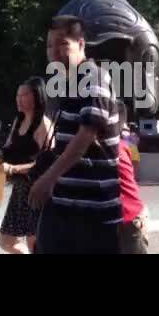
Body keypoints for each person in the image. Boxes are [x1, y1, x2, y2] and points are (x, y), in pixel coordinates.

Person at [29, 15, 121, 254]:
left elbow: (86, 134)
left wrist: (48, 178)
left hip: (92, 213)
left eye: (62, 43)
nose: (54, 52)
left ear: (81, 44)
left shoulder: (94, 77)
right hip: (65, 207)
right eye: (49, 45)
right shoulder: (71, 83)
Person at [0, 77, 50, 254]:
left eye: (24, 95)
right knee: (6, 241)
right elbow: (6, 149)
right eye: (17, 95)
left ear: (36, 96)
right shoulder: (18, 120)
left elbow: (47, 163)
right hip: (20, 189)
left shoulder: (43, 123)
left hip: (38, 188)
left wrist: (13, 169)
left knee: (34, 242)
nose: (18, 99)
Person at [117, 101, 148, 254]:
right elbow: (134, 162)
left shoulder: (111, 143)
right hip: (135, 211)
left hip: (128, 214)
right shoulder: (128, 141)